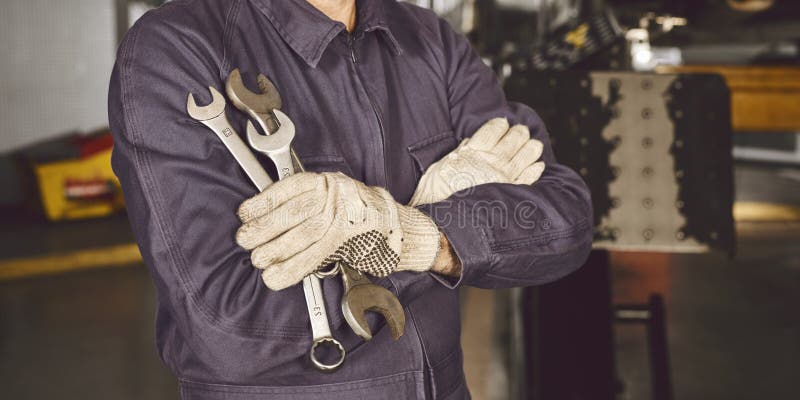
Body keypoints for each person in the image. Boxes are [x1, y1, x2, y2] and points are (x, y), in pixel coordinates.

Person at [108, 0, 593, 398]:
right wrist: (433, 234)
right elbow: (230, 329)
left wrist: (414, 234)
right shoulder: (176, 48)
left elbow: (565, 221)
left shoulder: (428, 39)